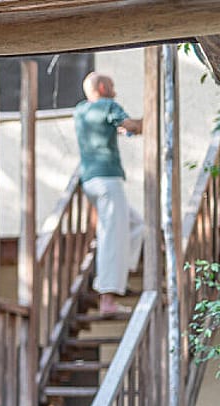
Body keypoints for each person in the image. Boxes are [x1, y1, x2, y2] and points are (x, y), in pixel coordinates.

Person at [74, 72, 144, 316]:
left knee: (137, 225)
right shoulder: (108, 105)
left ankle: (122, 274)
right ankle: (108, 299)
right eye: (112, 86)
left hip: (90, 181)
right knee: (111, 235)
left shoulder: (80, 111)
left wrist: (123, 131)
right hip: (108, 179)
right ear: (102, 87)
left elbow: (108, 130)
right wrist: (148, 120)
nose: (115, 90)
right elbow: (132, 126)